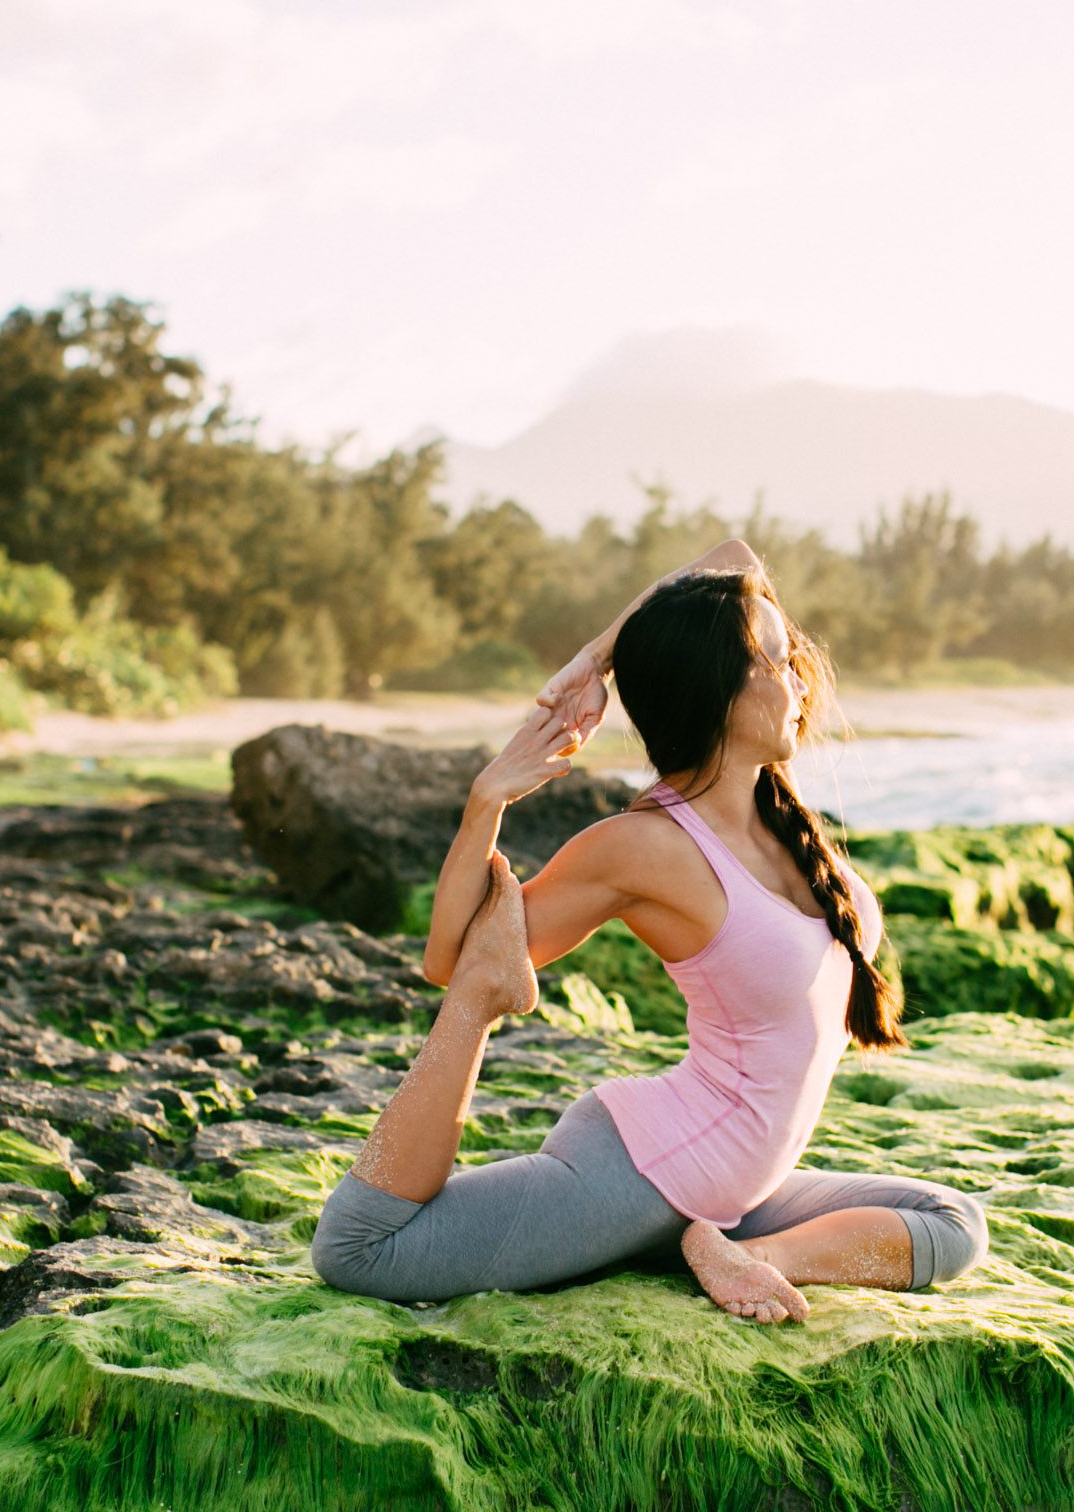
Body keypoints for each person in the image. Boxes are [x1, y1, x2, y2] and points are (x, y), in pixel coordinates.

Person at [309, 539, 990, 1323]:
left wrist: (596, 659)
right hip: (644, 1170)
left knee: (952, 1224)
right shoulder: (650, 847)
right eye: (771, 662)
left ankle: (751, 1258)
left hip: (733, 1198)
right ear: (714, 694)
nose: (796, 677)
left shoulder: (779, 813)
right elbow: (449, 957)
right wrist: (486, 803)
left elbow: (734, 556)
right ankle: (698, 1238)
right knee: (360, 1251)